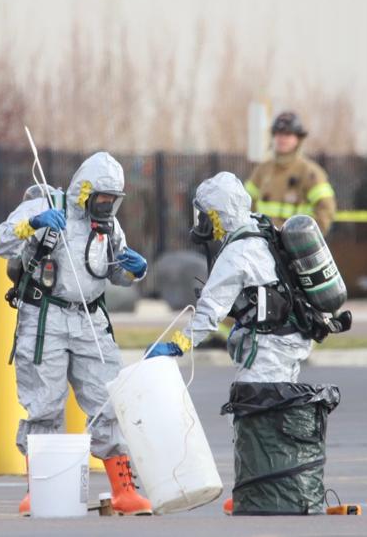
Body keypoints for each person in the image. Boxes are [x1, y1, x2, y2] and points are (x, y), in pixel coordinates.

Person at [147, 171, 349, 514]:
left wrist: (178, 344)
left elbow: (209, 311)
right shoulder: (259, 228)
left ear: (217, 215)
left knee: (254, 413)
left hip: (270, 344)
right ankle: (263, 484)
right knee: (271, 415)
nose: (201, 223)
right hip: (290, 337)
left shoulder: (237, 253)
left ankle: (262, 487)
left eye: (204, 215)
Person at [0, 151, 152, 516]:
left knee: (108, 400)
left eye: (113, 201)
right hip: (45, 317)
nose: (107, 206)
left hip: (89, 319)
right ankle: (40, 490)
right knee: (44, 404)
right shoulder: (47, 206)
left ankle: (124, 490)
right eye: (102, 199)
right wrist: (32, 223)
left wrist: (133, 270)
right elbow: (0, 242)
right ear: (85, 192)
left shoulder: (109, 225)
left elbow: (114, 270)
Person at [244, 111, 336, 233]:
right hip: (262, 243)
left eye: (287, 134)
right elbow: (245, 203)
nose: (282, 138)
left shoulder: (310, 173)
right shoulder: (262, 170)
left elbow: (325, 210)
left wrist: (306, 238)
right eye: (278, 133)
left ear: (298, 138)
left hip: (295, 247)